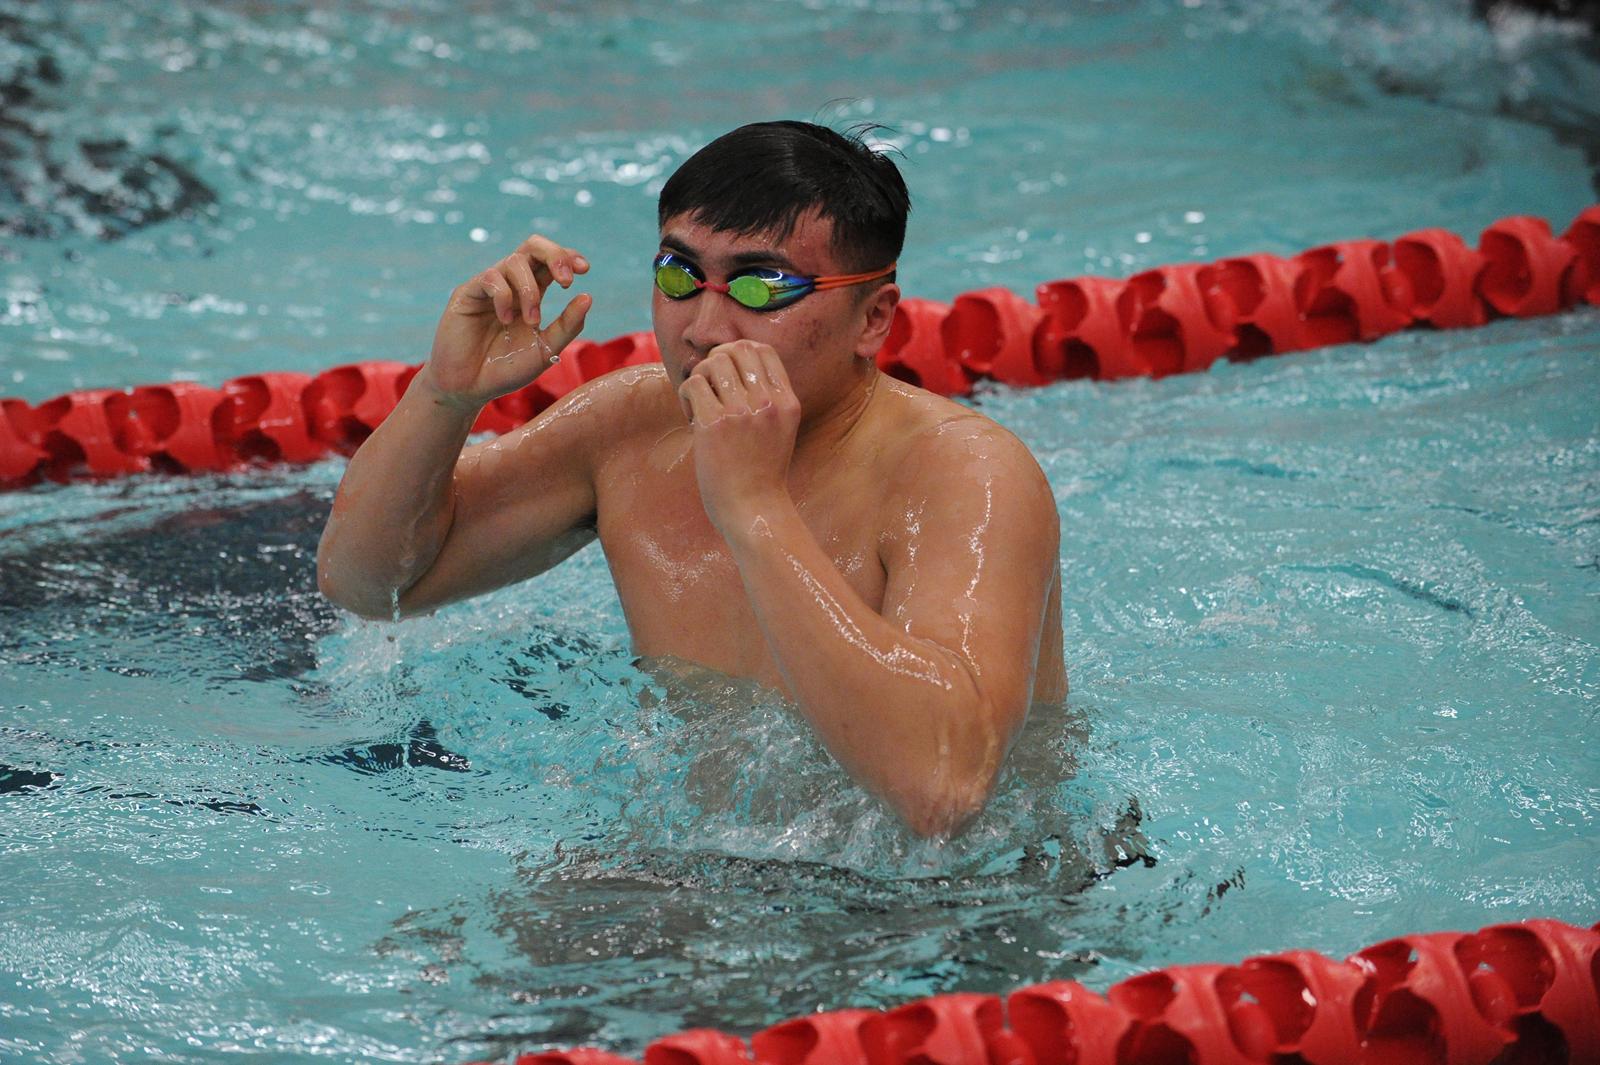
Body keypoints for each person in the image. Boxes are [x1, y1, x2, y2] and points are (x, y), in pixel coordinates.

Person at [317, 121, 1066, 838]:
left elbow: (943, 793)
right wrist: (445, 397)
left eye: (759, 287)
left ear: (873, 318)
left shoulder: (965, 472)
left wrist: (754, 505)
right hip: (713, 867)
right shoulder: (631, 428)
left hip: (963, 908)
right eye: (681, 275)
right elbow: (370, 583)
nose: (703, 328)